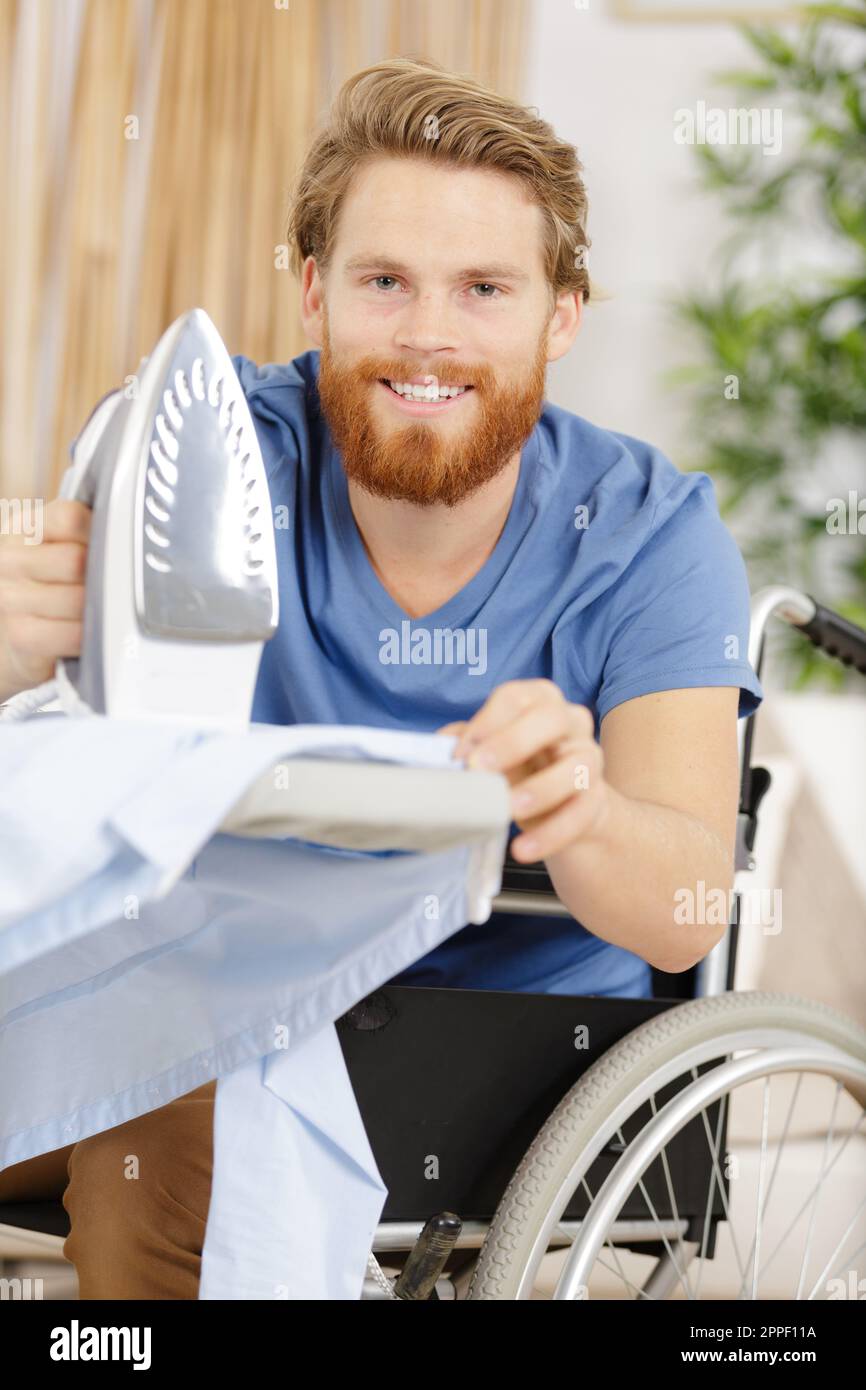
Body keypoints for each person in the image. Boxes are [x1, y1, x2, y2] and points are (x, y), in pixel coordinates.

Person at [0, 57, 762, 1298]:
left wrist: (579, 809)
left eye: (482, 288)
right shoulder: (203, 453)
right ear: (313, 292)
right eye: (383, 281)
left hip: (486, 1060)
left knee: (171, 1145)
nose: (428, 334)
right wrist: (18, 645)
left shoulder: (646, 535)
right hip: (188, 989)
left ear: (560, 315)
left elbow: (685, 908)